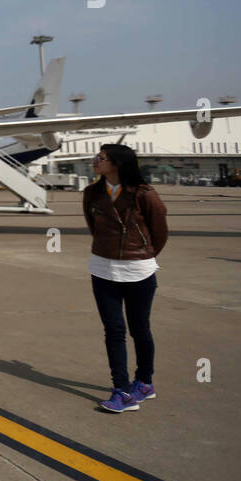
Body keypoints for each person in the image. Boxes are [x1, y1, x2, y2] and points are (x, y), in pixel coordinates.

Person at [83, 144, 168, 413]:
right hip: (103, 270)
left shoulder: (145, 194)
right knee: (114, 331)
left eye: (102, 157)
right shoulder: (92, 193)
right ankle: (121, 389)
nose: (96, 160)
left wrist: (142, 255)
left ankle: (144, 382)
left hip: (139, 271)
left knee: (140, 329)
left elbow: (159, 232)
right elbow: (93, 227)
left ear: (118, 163)